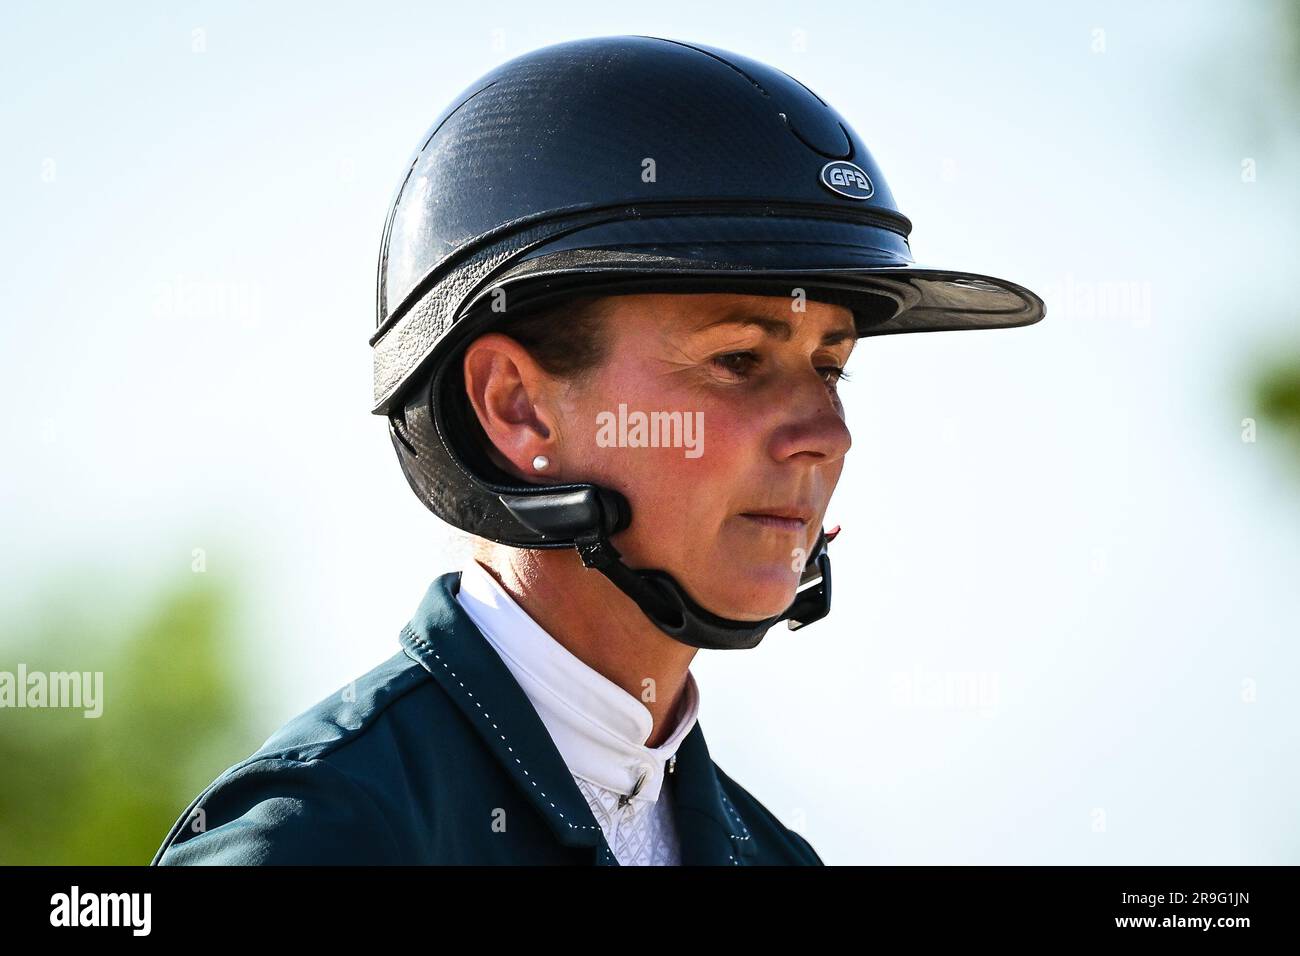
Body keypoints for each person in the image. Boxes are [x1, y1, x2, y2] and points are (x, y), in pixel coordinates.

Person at [152, 35, 1043, 866]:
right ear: (517, 409)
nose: (826, 435)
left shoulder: (775, 857)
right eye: (738, 360)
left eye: (831, 368)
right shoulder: (318, 839)